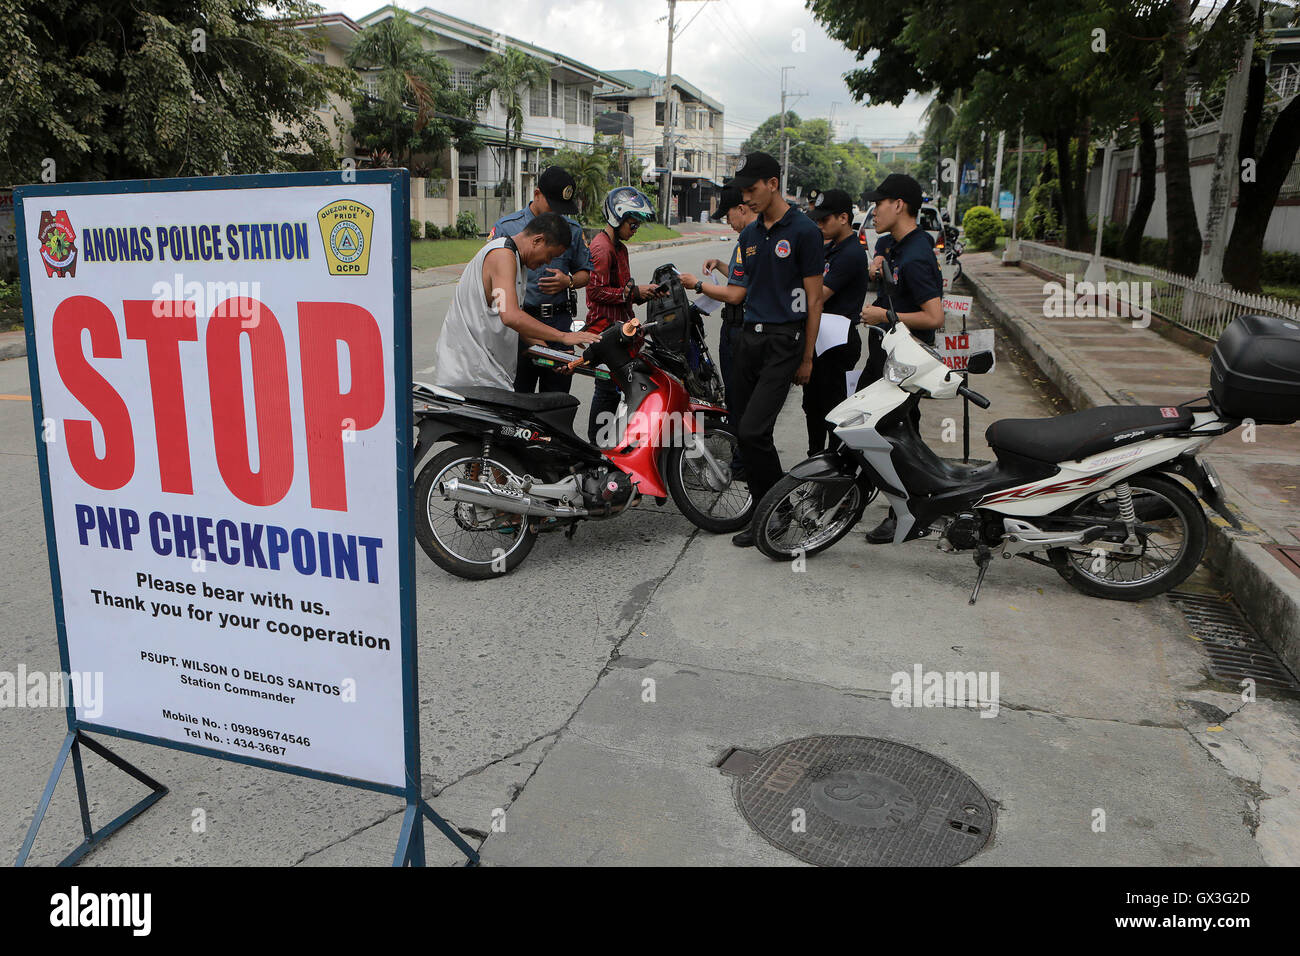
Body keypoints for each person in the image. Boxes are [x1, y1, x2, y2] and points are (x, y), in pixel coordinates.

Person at [724, 152, 825, 547]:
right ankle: (767, 510)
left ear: (772, 184)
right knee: (744, 432)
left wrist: (807, 356)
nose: (746, 198)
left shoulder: (803, 231)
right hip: (749, 337)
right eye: (742, 191)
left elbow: (815, 301)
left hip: (785, 341)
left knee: (754, 430)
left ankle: (776, 509)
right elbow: (741, 289)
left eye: (751, 190)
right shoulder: (749, 235)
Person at [858, 173, 945, 544]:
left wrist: (885, 316)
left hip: (905, 361)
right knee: (881, 428)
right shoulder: (897, 245)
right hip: (887, 355)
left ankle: (906, 512)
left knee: (893, 434)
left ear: (899, 205)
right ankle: (888, 500)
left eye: (878, 204)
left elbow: (934, 316)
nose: (872, 211)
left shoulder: (917, 254)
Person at [433, 212, 599, 390]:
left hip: (485, 373)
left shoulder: (517, 261)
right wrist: (563, 336)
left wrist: (553, 356)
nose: (547, 262)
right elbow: (511, 316)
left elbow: (516, 325)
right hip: (470, 375)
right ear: (537, 240)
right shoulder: (502, 255)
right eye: (550, 255)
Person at [489, 166, 592, 394]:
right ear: (537, 195)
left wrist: (569, 281)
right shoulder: (508, 228)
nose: (557, 214)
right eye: (552, 207)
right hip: (519, 324)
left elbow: (586, 271)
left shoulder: (571, 230)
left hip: (558, 318)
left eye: (562, 209)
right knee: (518, 397)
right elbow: (495, 293)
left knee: (556, 399)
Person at [583, 186, 664, 445]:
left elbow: (623, 289)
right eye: (633, 221)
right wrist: (631, 293)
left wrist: (642, 293)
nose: (635, 227)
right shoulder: (602, 248)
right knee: (606, 387)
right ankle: (596, 444)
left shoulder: (619, 248)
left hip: (621, 330)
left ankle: (615, 441)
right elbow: (595, 291)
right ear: (617, 217)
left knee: (622, 389)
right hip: (604, 332)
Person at [802, 188, 868, 457]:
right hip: (821, 340)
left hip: (838, 343)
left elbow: (818, 295)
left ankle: (835, 471)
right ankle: (816, 461)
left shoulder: (850, 254)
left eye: (823, 220)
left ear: (843, 218)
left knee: (833, 412)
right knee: (813, 406)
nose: (819, 226)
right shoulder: (832, 249)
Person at [678, 182, 754, 404]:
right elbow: (744, 278)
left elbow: (735, 294)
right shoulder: (754, 237)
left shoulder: (749, 239)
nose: (728, 222)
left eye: (728, 215)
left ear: (742, 209)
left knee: (737, 398)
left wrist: (698, 285)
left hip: (740, 329)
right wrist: (720, 264)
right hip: (743, 328)